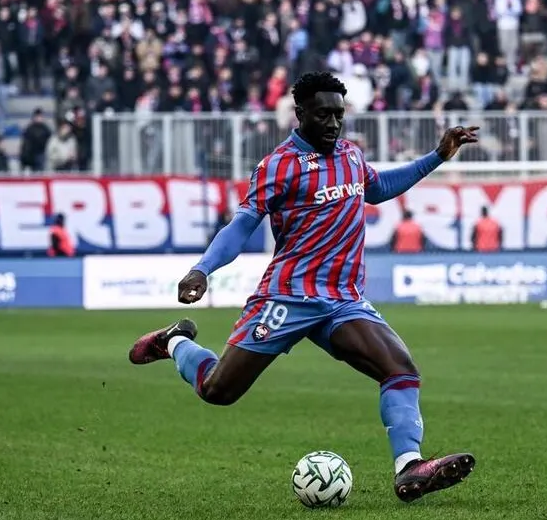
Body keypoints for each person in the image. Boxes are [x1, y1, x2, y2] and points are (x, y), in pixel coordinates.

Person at [129, 71, 479, 502]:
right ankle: (175, 341)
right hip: (287, 298)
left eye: (339, 115)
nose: (333, 123)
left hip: (342, 301)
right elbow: (242, 224)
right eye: (322, 115)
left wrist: (438, 156)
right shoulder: (278, 166)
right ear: (300, 114)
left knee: (401, 370)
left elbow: (379, 188)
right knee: (218, 391)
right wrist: (203, 269)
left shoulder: (350, 155)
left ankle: (409, 467)